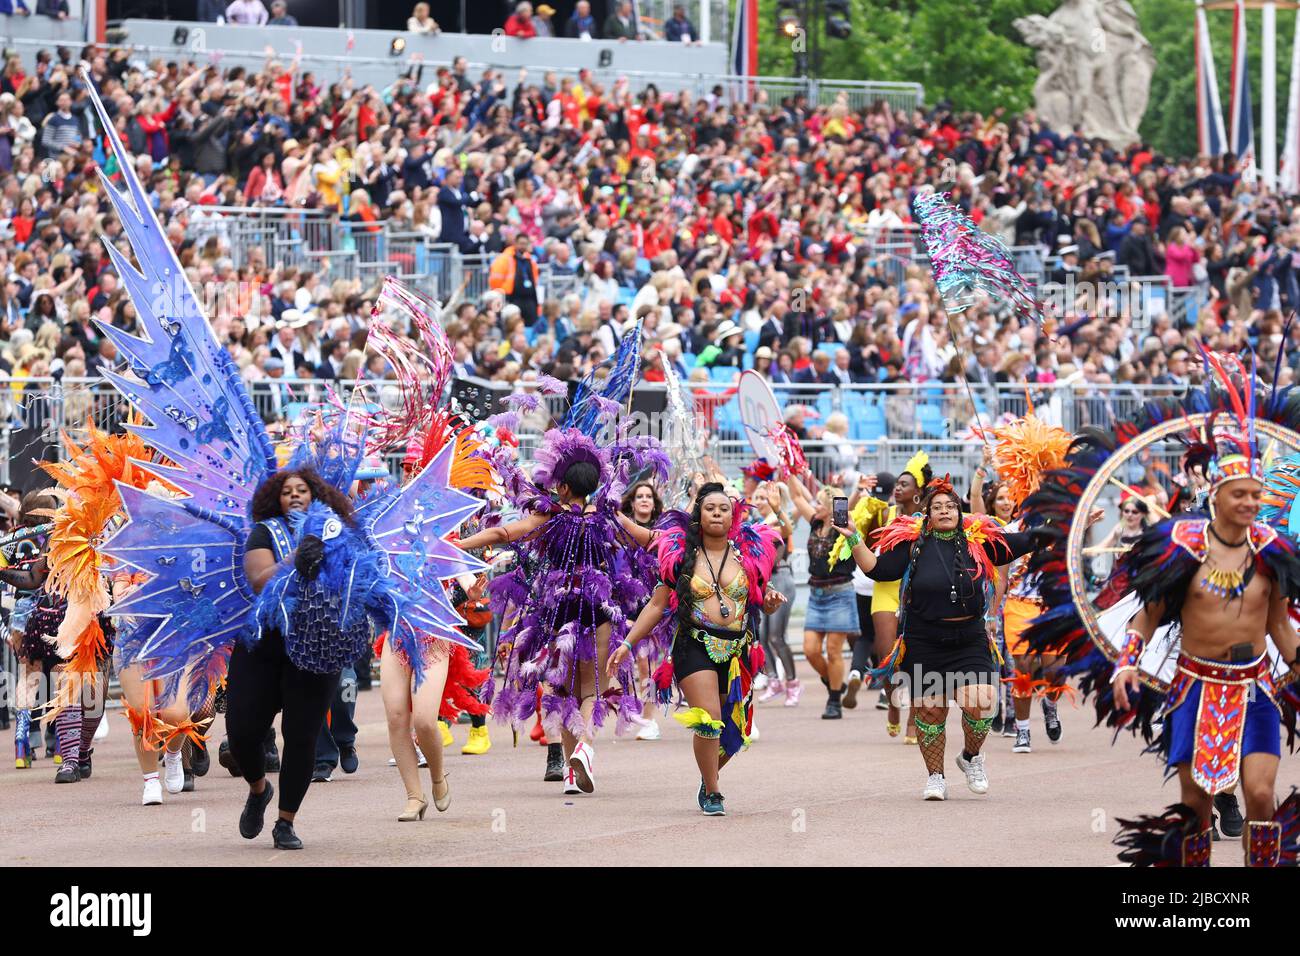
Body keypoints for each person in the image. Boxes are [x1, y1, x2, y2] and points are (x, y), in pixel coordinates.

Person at [839, 477, 1039, 800]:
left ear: (959, 512)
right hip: (924, 641)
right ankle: (936, 776)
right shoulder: (912, 544)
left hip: (969, 640)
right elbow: (876, 569)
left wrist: (1071, 522)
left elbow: (1027, 540)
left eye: (950, 506)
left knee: (982, 701)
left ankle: (972, 758)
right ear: (927, 513)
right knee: (930, 712)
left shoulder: (980, 542)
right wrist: (853, 538)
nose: (944, 511)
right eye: (937, 507)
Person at [610, 483, 784, 815]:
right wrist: (628, 642)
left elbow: (764, 600)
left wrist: (772, 604)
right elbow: (656, 605)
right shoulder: (680, 556)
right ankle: (714, 793)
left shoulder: (747, 555)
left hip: (738, 652)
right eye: (710, 508)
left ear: (733, 516)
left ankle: (708, 777)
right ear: (698, 515)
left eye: (723, 508)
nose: (717, 513)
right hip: (695, 645)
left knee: (734, 731)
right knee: (708, 721)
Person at [227, 468, 369, 850]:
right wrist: (294, 559)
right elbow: (259, 580)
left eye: (301, 490)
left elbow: (358, 577)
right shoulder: (265, 533)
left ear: (315, 496)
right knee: (241, 732)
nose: (293, 495)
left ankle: (285, 822)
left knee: (302, 736)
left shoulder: (337, 531)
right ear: (276, 497)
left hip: (317, 646)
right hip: (264, 642)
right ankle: (259, 790)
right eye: (286, 491)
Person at [838, 451, 932, 742]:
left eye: (906, 483)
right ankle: (893, 703)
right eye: (898, 483)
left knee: (917, 658)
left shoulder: (928, 519)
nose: (899, 487)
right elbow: (852, 524)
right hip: (885, 590)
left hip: (918, 593)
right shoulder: (882, 512)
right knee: (888, 656)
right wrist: (856, 497)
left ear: (918, 492)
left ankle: (914, 721)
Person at [784, 476, 859, 719]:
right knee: (810, 650)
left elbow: (853, 505)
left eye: (820, 503)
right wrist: (790, 471)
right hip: (817, 594)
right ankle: (834, 682)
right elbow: (796, 497)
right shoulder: (816, 522)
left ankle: (834, 701)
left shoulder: (843, 526)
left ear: (832, 507)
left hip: (840, 592)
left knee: (834, 650)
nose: (816, 506)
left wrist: (855, 492)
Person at [489, 231, 541, 328]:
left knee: (532, 325)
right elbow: (495, 281)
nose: (523, 246)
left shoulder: (530, 259)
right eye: (521, 243)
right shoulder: (504, 258)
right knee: (512, 325)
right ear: (515, 243)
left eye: (525, 244)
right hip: (512, 298)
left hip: (529, 298)